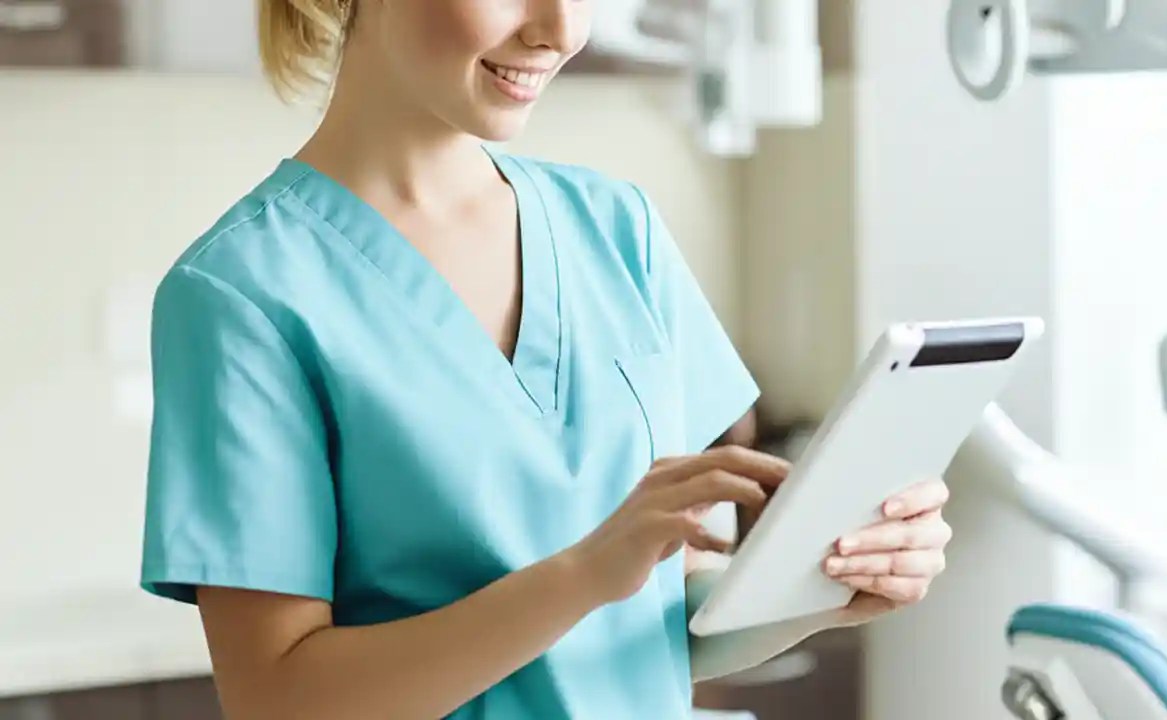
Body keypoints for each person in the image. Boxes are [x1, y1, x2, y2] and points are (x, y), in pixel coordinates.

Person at [138, 1, 954, 718]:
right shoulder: (242, 292)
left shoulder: (616, 226)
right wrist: (585, 573)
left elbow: (667, 620)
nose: (559, 29)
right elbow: (278, 701)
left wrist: (821, 588)